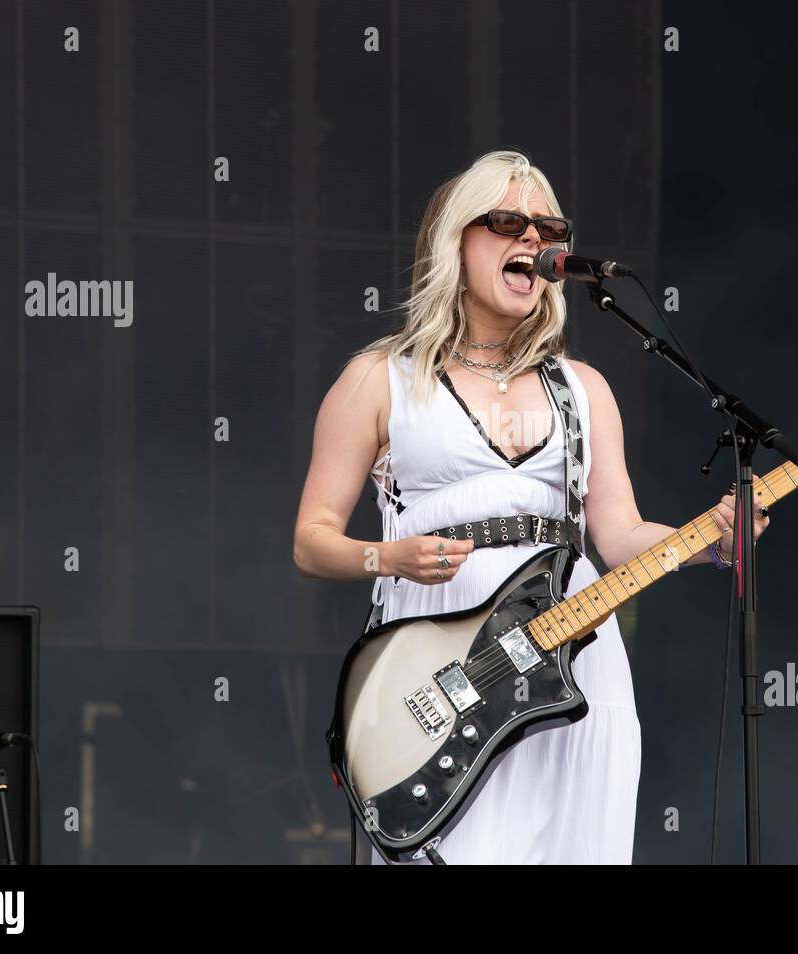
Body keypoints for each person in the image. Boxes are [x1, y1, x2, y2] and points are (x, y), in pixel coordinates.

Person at [293, 149, 769, 864]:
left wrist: (710, 544)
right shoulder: (379, 379)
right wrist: (385, 556)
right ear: (456, 239)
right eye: (508, 221)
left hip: (575, 669)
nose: (533, 241)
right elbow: (311, 538)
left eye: (549, 228)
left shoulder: (582, 388)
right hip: (443, 679)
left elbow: (619, 532)